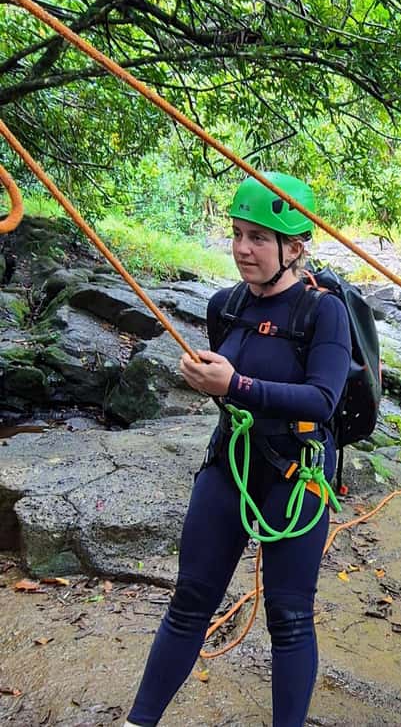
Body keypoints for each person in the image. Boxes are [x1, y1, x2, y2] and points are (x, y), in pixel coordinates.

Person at [125, 172, 351, 727]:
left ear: (294, 248)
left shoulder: (324, 313)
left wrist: (236, 386)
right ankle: (138, 721)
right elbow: (230, 397)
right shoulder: (225, 305)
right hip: (229, 467)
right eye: (237, 234)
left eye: (258, 238)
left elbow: (322, 399)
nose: (242, 249)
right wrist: (213, 383)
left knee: (290, 617)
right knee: (189, 602)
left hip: (296, 479)